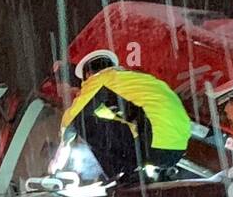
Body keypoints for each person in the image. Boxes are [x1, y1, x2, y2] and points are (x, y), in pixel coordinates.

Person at [59, 50, 191, 182]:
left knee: (82, 123)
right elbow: (110, 115)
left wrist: (61, 150)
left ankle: (123, 173)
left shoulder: (100, 79)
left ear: (88, 74)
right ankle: (143, 173)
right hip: (175, 150)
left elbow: (73, 118)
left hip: (154, 145)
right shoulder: (134, 80)